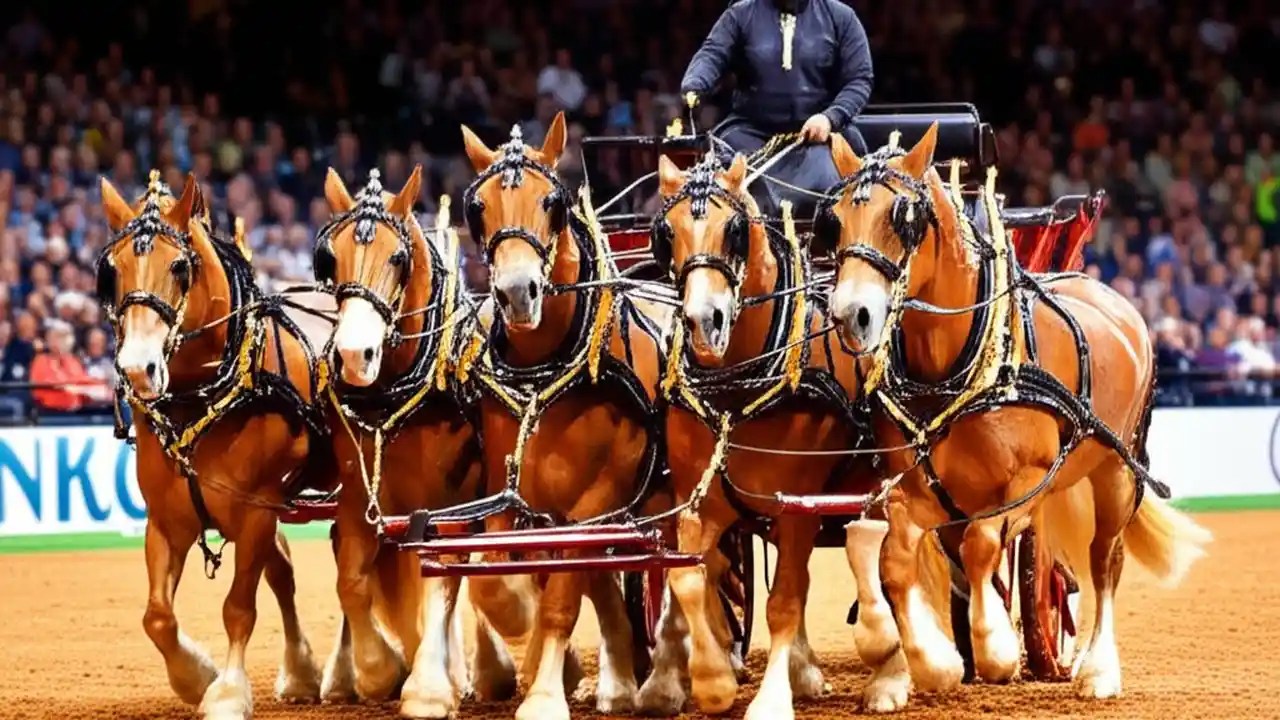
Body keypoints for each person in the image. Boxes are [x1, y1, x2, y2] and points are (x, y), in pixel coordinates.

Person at [680, 0, 874, 217]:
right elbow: (713, 54)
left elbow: (859, 80)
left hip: (819, 134)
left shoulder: (840, 16)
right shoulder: (741, 14)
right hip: (750, 131)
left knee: (828, 181)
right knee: (727, 178)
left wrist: (830, 117)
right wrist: (695, 83)